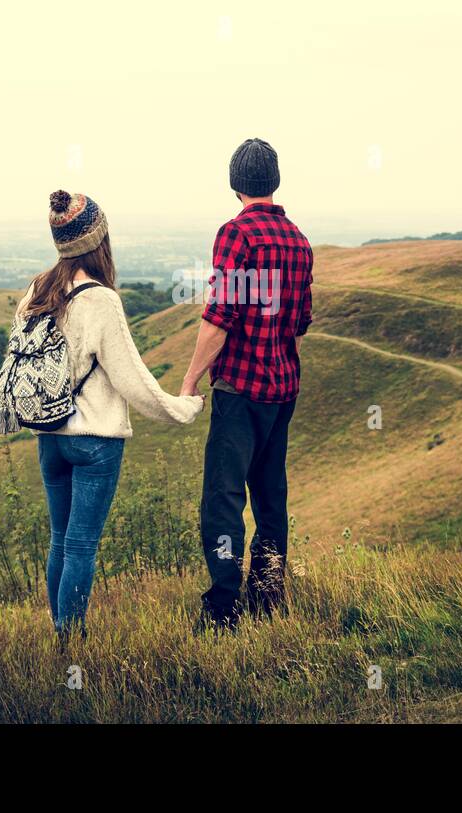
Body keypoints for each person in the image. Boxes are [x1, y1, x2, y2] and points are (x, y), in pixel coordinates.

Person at [20, 190, 203, 639]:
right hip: (94, 442)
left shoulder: (38, 289)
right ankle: (70, 644)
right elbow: (133, 381)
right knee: (81, 545)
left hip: (49, 436)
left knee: (60, 542)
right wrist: (183, 408)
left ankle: (59, 636)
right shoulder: (100, 300)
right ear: (99, 241)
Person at [180, 139, 314, 630]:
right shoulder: (299, 240)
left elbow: (219, 319)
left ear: (235, 183)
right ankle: (268, 592)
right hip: (283, 389)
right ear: (274, 181)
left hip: (240, 389)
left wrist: (191, 380)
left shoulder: (235, 234)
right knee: (270, 493)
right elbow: (300, 321)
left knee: (223, 498)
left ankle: (222, 607)